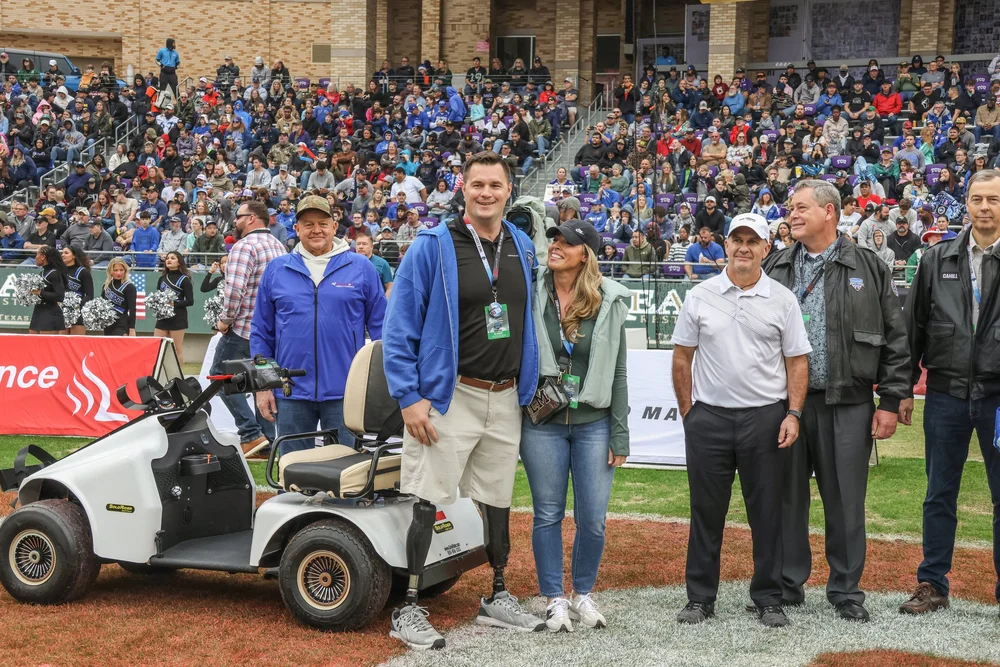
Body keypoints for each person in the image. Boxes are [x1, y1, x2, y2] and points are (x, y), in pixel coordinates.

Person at [383, 152, 543, 649]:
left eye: (496, 184)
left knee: (497, 499)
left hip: (505, 395)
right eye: (478, 184)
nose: (487, 193)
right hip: (450, 397)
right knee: (427, 498)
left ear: (509, 189)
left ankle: (496, 594)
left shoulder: (521, 244)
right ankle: (408, 607)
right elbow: (399, 327)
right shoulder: (433, 245)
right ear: (464, 188)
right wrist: (409, 397)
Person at [761, 180, 910, 621]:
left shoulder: (868, 264)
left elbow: (895, 337)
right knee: (786, 496)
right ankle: (788, 585)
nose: (793, 214)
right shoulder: (777, 265)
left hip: (848, 401)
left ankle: (846, 590)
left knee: (846, 499)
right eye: (791, 208)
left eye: (802, 207)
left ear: (830, 212)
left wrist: (891, 398)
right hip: (787, 405)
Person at [672, 213, 810, 628]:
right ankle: (700, 598)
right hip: (709, 418)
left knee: (767, 513)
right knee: (705, 513)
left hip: (765, 419)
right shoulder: (700, 295)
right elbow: (682, 356)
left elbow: (797, 362)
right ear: (726, 245)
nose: (744, 247)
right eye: (738, 239)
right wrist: (688, 413)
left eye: (753, 240)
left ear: (767, 248)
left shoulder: (783, 299)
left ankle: (769, 598)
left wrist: (793, 413)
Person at [520, 220, 630, 632]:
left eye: (567, 242)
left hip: (594, 423)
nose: (557, 246)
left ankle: (582, 593)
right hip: (542, 421)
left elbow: (618, 373)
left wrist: (621, 432)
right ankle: (554, 599)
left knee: (593, 518)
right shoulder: (532, 291)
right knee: (547, 514)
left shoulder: (609, 301)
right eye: (554, 240)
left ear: (586, 253)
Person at [898, 171, 1000, 615]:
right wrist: (901, 388)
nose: (985, 207)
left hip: (999, 396)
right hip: (945, 392)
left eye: (994, 199)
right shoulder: (937, 259)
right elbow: (912, 329)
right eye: (977, 199)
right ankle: (932, 583)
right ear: (966, 203)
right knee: (939, 492)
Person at [251, 195, 386, 455]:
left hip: (347, 392)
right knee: (294, 477)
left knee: (346, 480)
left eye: (323, 223)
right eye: (308, 224)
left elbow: (382, 329)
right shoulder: (276, 269)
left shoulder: (361, 267)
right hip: (290, 394)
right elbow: (261, 333)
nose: (316, 230)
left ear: (335, 227)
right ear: (297, 228)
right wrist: (264, 386)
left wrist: (380, 383)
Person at [212, 199, 286, 459]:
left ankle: (250, 434)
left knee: (218, 379)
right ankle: (268, 439)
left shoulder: (244, 247)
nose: (235, 220)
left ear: (252, 218)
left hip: (244, 328)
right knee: (261, 383)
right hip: (272, 330)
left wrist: (225, 319)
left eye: (239, 216)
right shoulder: (279, 246)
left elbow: (234, 291)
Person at [153, 251, 194, 365]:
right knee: (156, 346)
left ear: (179, 262)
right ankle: (157, 375)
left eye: (172, 258)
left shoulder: (184, 280)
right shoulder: (162, 278)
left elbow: (190, 301)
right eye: (167, 258)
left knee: (177, 349)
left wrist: (174, 304)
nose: (169, 260)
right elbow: (158, 296)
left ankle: (179, 377)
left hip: (178, 317)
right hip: (162, 317)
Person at [29, 246, 66, 335]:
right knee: (32, 343)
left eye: (37, 254)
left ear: (43, 257)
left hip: (50, 313)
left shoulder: (54, 273)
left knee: (47, 346)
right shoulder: (41, 273)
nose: (35, 257)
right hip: (38, 310)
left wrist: (39, 292)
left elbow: (60, 296)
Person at [60, 245, 93, 335]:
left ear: (74, 255)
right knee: (61, 344)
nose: (63, 255)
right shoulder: (60, 271)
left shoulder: (83, 272)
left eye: (66, 253)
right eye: (62, 253)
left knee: (77, 344)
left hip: (78, 312)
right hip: (62, 311)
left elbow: (89, 295)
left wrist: (77, 308)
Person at [102, 257, 137, 337]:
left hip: (122, 324)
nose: (119, 273)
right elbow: (102, 305)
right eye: (116, 270)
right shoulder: (106, 285)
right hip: (108, 324)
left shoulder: (129, 287)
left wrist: (132, 329)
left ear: (125, 271)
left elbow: (132, 309)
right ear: (110, 271)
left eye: (121, 270)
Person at [355, 230, 393, 296]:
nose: (360, 246)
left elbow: (390, 287)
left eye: (364, 244)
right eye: (358, 244)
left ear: (372, 246)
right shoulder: (349, 263)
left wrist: (385, 303)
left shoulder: (382, 263)